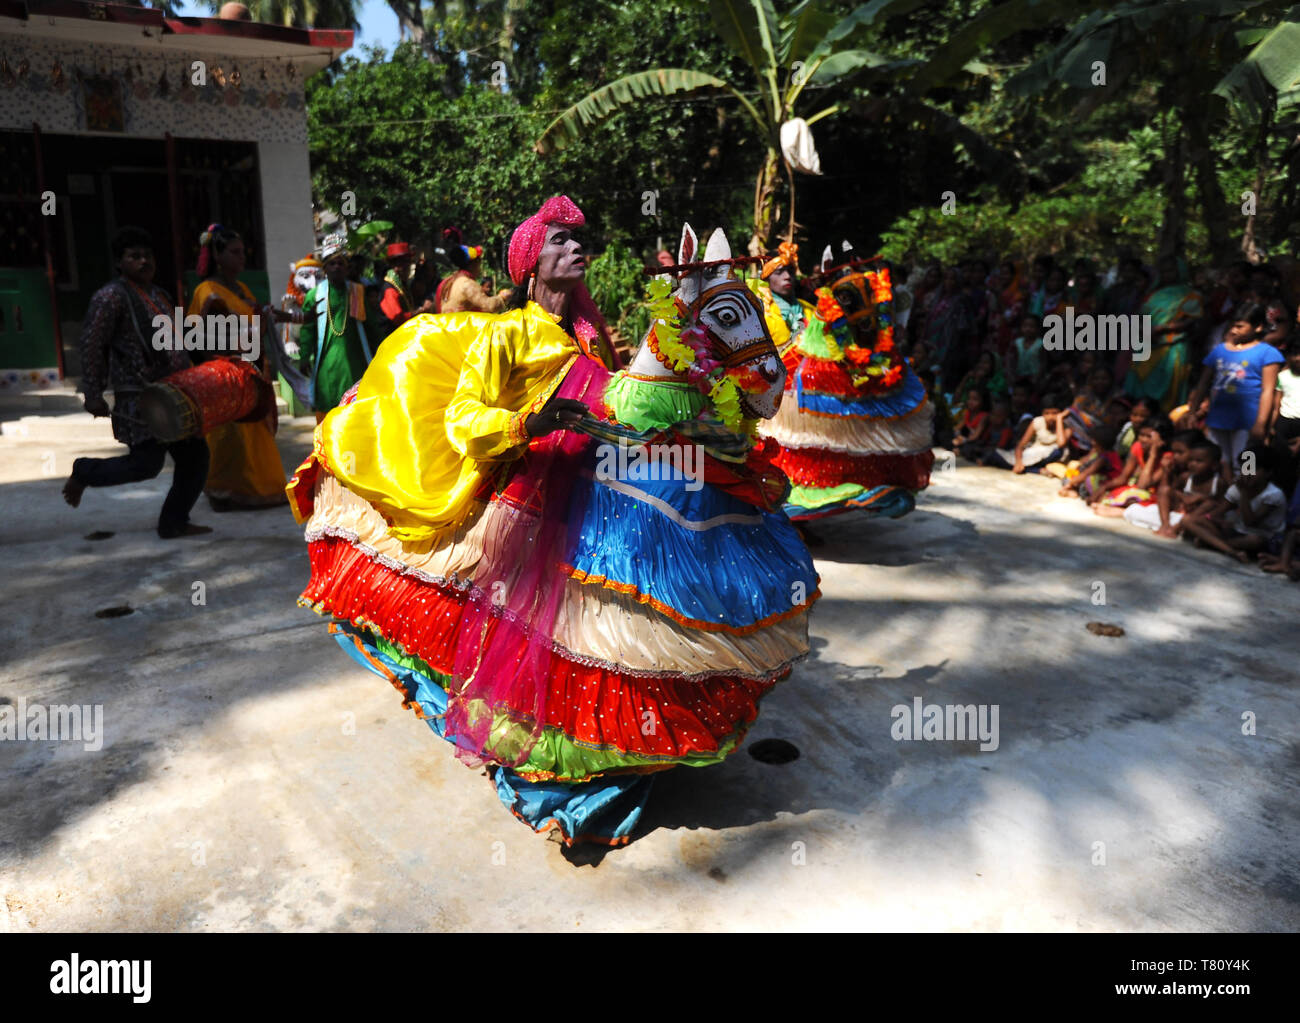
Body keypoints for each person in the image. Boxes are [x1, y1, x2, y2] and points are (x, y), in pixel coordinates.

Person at [289, 199, 810, 846]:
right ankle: (568, 761)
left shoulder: (590, 333)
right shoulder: (509, 333)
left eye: (578, 240)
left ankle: (651, 728)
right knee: (558, 634)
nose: (576, 248)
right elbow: (463, 418)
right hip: (538, 479)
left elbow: (623, 394)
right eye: (561, 240)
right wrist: (527, 423)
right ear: (531, 261)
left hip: (603, 467)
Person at [758, 244, 936, 522]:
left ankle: (855, 486)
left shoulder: (807, 307)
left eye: (790, 272)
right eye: (779, 272)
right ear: (766, 277)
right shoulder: (760, 308)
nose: (787, 277)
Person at [61, 226, 211, 538]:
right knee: (146, 464)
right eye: (135, 256)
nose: (144, 261)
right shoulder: (109, 297)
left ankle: (173, 522)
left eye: (148, 256)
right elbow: (92, 344)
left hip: (173, 395)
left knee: (195, 457)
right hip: (141, 400)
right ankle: (84, 471)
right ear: (120, 263)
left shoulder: (160, 295)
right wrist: (93, 392)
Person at [188, 223, 288, 511]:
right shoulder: (207, 290)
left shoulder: (241, 288)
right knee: (230, 434)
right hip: (227, 372)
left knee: (255, 429)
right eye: (234, 252)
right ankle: (223, 492)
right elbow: (197, 336)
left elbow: (257, 319)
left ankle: (260, 489)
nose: (241, 257)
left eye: (243, 252)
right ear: (217, 255)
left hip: (253, 368)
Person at [1186, 302, 1284, 473]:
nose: (1234, 330)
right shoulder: (1219, 350)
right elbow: (1203, 384)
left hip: (1247, 421)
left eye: (1240, 326)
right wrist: (1193, 411)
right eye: (1233, 325)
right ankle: (1220, 497)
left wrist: (1261, 424)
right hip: (1217, 417)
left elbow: (1268, 391)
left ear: (1258, 327)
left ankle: (1245, 497)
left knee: (1246, 467)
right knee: (1216, 464)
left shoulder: (1268, 353)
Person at [298, 235, 375, 421]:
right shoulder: (315, 295)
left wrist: (382, 350)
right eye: (332, 263)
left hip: (356, 364)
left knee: (356, 414)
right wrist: (303, 357)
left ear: (347, 267)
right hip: (327, 367)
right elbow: (308, 329)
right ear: (324, 268)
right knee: (328, 415)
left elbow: (371, 326)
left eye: (341, 263)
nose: (337, 267)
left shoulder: (357, 292)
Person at [1180, 447, 1288, 561]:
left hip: (1265, 537)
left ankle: (1212, 543)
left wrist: (1244, 493)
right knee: (1188, 520)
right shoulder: (1237, 488)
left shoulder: (1273, 495)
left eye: (1253, 469)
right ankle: (1230, 550)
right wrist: (1210, 519)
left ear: (1268, 473)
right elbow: (1218, 512)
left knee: (1254, 540)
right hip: (1237, 532)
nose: (1248, 474)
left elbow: (1250, 522)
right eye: (1245, 468)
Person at [1125, 256, 1203, 411]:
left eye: (1171, 270)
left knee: (1168, 391)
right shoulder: (1153, 294)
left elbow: (1190, 322)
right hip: (1146, 344)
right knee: (1140, 385)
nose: (1167, 274)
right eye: (1164, 271)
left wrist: (1162, 329)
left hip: (1172, 347)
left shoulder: (1191, 294)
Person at [1123, 436, 1223, 537]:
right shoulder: (1186, 477)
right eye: (1191, 460)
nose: (1193, 464)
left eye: (1199, 461)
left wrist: (1201, 498)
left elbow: (1220, 504)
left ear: (1214, 465)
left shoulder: (1218, 482)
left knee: (1209, 504)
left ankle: (1176, 528)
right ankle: (1165, 525)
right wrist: (1184, 497)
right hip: (1182, 509)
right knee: (1164, 490)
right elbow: (1172, 491)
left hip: (1198, 515)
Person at [434, 227, 513, 314]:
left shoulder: (448, 281)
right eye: (479, 263)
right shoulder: (466, 284)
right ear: (474, 264)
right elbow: (489, 306)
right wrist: (503, 297)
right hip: (460, 326)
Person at [989, 393, 1071, 473]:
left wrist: (1059, 419)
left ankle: (1033, 470)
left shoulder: (1066, 427)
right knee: (996, 455)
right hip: (1033, 455)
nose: (1050, 417)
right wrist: (1018, 462)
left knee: (1057, 452)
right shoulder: (1037, 422)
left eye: (1054, 413)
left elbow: (1061, 444)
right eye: (1047, 413)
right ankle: (1036, 470)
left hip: (1048, 457)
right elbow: (1020, 445)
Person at [377, 241, 434, 338]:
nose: (408, 266)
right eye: (404, 262)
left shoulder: (401, 284)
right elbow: (398, 318)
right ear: (395, 265)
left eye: (408, 262)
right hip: (392, 339)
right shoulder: (390, 288)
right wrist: (421, 311)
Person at [951, 387, 990, 458]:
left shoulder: (984, 416)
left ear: (983, 401)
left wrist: (963, 440)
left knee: (972, 447)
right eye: (969, 398)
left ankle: (959, 450)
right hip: (966, 439)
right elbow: (957, 428)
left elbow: (976, 436)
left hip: (978, 442)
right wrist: (957, 436)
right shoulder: (967, 412)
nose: (970, 402)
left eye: (975, 399)